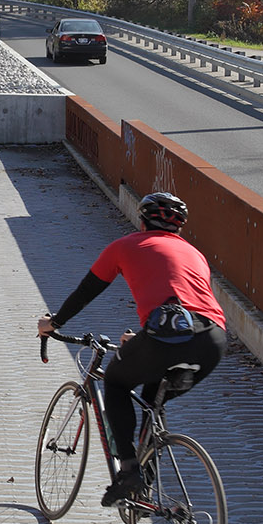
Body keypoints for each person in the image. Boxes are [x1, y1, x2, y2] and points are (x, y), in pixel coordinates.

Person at [36, 192, 228, 506]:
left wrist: (54, 322)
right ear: (179, 229)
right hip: (213, 341)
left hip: (164, 334)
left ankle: (128, 470)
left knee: (116, 381)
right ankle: (146, 488)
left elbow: (87, 291)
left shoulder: (125, 246)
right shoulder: (195, 254)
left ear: (141, 221)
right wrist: (142, 339)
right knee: (154, 399)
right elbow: (184, 307)